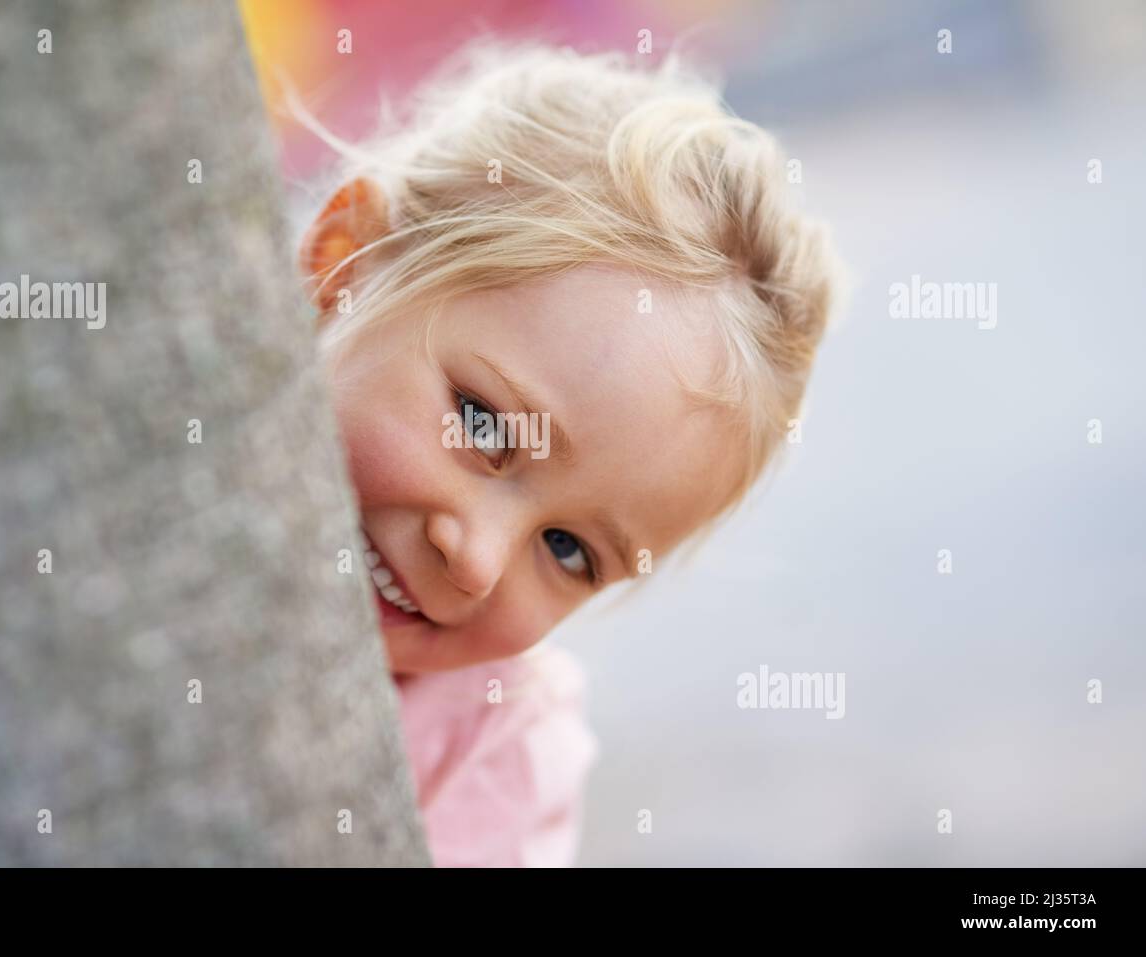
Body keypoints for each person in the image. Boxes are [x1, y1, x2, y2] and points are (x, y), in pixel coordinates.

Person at [292, 43, 842, 866]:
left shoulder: (501, 760)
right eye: (482, 427)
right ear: (348, 264)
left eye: (568, 549)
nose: (474, 559)